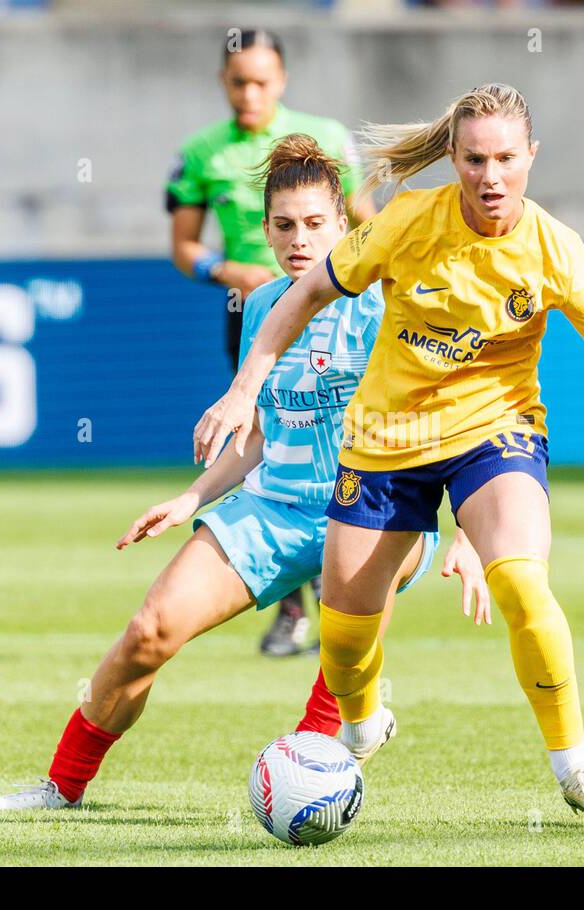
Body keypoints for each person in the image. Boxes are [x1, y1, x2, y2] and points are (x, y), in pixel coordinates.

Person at [195, 84, 584, 828]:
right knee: (345, 634)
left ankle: (576, 768)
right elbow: (306, 293)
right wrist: (245, 386)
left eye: (506, 158)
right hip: (384, 441)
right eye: (475, 158)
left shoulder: (555, 249)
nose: (490, 176)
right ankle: (361, 725)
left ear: (530, 158)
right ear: (453, 157)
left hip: (495, 434)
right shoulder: (409, 222)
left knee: (521, 583)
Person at [0, 135, 488, 812]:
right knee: (148, 633)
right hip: (275, 507)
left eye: (315, 224)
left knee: (346, 619)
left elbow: (455, 414)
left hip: (378, 505)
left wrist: (470, 529)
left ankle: (326, 755)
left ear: (346, 224)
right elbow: (257, 436)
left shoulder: (388, 303)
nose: (300, 240)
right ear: (266, 229)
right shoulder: (262, 305)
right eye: (284, 225)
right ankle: (61, 787)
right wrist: (190, 495)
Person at [166, 28, 376, 657]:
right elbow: (183, 248)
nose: (249, 92)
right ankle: (291, 607)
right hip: (254, 307)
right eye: (238, 81)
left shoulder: (329, 140)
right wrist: (229, 272)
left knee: (336, 429)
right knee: (270, 435)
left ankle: (345, 566)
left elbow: (367, 217)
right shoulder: (202, 153)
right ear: (223, 83)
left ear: (282, 79)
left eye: (261, 80)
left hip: (337, 304)